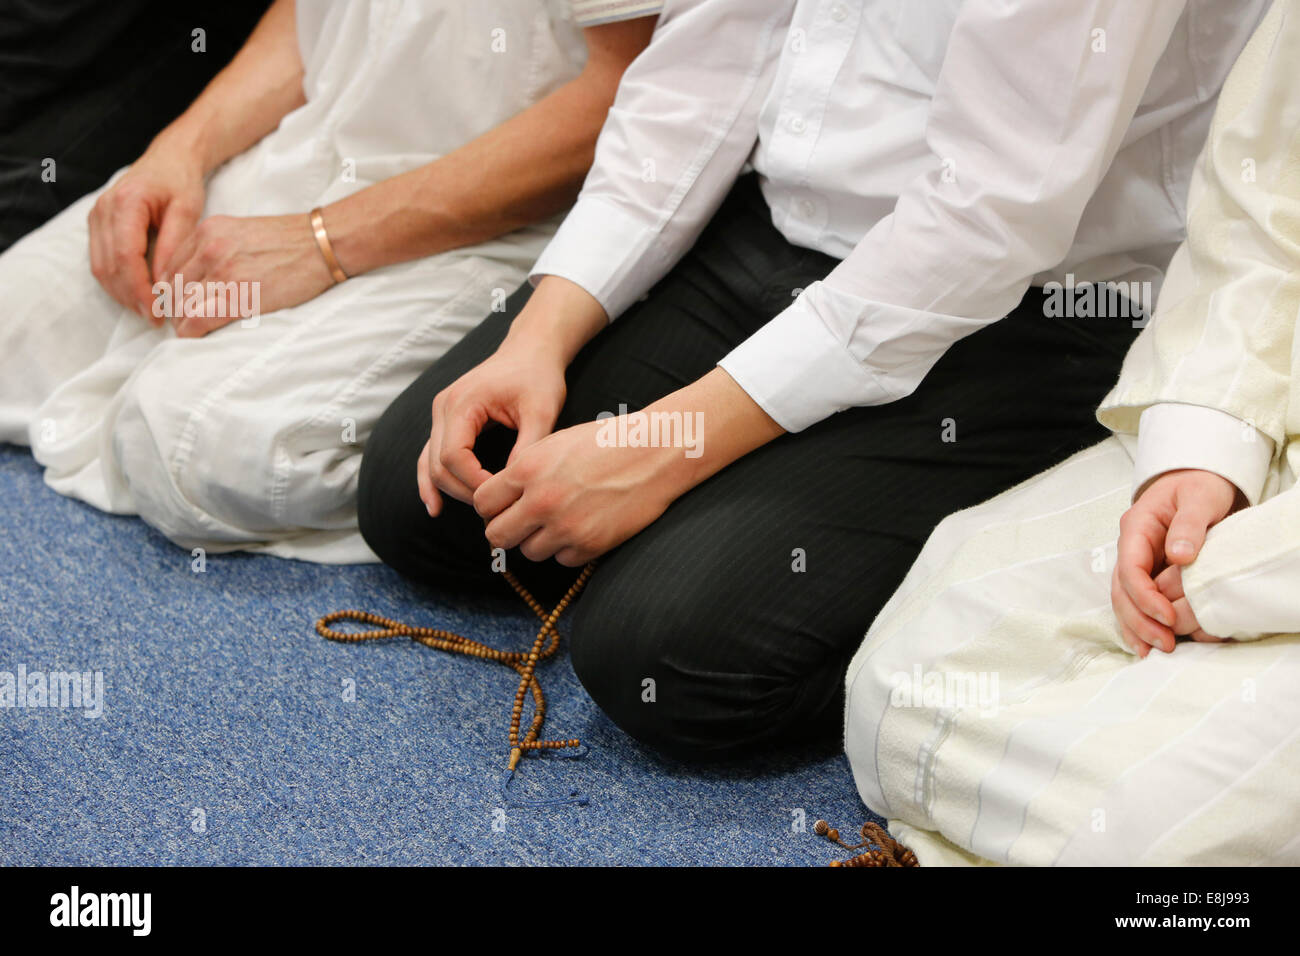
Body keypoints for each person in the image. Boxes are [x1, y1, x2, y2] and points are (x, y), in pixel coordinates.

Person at [358, 0, 1268, 760]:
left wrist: (660, 449)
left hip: (1027, 307)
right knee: (428, 495)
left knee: (667, 656)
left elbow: (984, 219)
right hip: (780, 225)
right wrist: (541, 330)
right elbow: (704, 69)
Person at [844, 0, 1300, 865]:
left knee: (1145, 836)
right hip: (1272, 407)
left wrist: (1242, 577)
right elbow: (1267, 211)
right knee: (903, 685)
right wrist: (1206, 452)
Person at [0, 0, 660, 562]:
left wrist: (320, 244)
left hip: (490, 226)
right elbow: (305, 18)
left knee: (183, 444)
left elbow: (626, 93)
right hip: (305, 149)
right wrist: (179, 150)